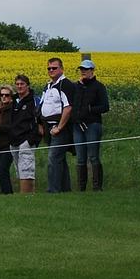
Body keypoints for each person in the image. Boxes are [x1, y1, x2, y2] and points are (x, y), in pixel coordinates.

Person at [73, 60, 110, 191]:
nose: (83, 71)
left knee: (93, 156)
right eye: (81, 69)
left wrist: (90, 109)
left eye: (86, 69)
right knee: (80, 158)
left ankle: (97, 187)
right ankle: (81, 187)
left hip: (93, 124)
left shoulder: (99, 87)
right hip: (78, 126)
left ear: (92, 71)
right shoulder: (76, 86)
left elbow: (105, 106)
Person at [41, 57, 76, 193]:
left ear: (61, 69)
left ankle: (53, 190)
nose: (51, 70)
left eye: (54, 68)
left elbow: (68, 107)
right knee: (60, 160)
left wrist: (60, 127)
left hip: (60, 128)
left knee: (53, 158)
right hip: (48, 127)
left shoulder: (65, 84)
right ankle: (65, 189)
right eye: (49, 68)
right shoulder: (48, 85)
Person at [9, 74, 41, 194]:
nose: (19, 86)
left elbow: (38, 121)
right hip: (14, 140)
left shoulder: (34, 100)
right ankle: (24, 196)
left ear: (28, 85)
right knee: (19, 170)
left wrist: (30, 140)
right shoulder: (14, 100)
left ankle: (27, 196)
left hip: (26, 140)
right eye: (17, 84)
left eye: (22, 84)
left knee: (26, 170)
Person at [0, 85, 16, 194]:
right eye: (2, 95)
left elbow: (12, 126)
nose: (4, 97)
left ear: (11, 96)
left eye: (7, 95)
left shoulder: (13, 110)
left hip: (9, 144)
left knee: (1, 173)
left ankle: (8, 194)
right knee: (3, 173)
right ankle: (7, 195)